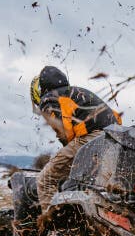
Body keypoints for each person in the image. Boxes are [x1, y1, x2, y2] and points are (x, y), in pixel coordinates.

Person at [29, 65, 122, 225]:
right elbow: (115, 117)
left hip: (92, 138)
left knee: (46, 179)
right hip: (115, 141)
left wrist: (65, 147)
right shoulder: (78, 92)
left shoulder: (49, 99)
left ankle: (54, 230)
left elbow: (65, 132)